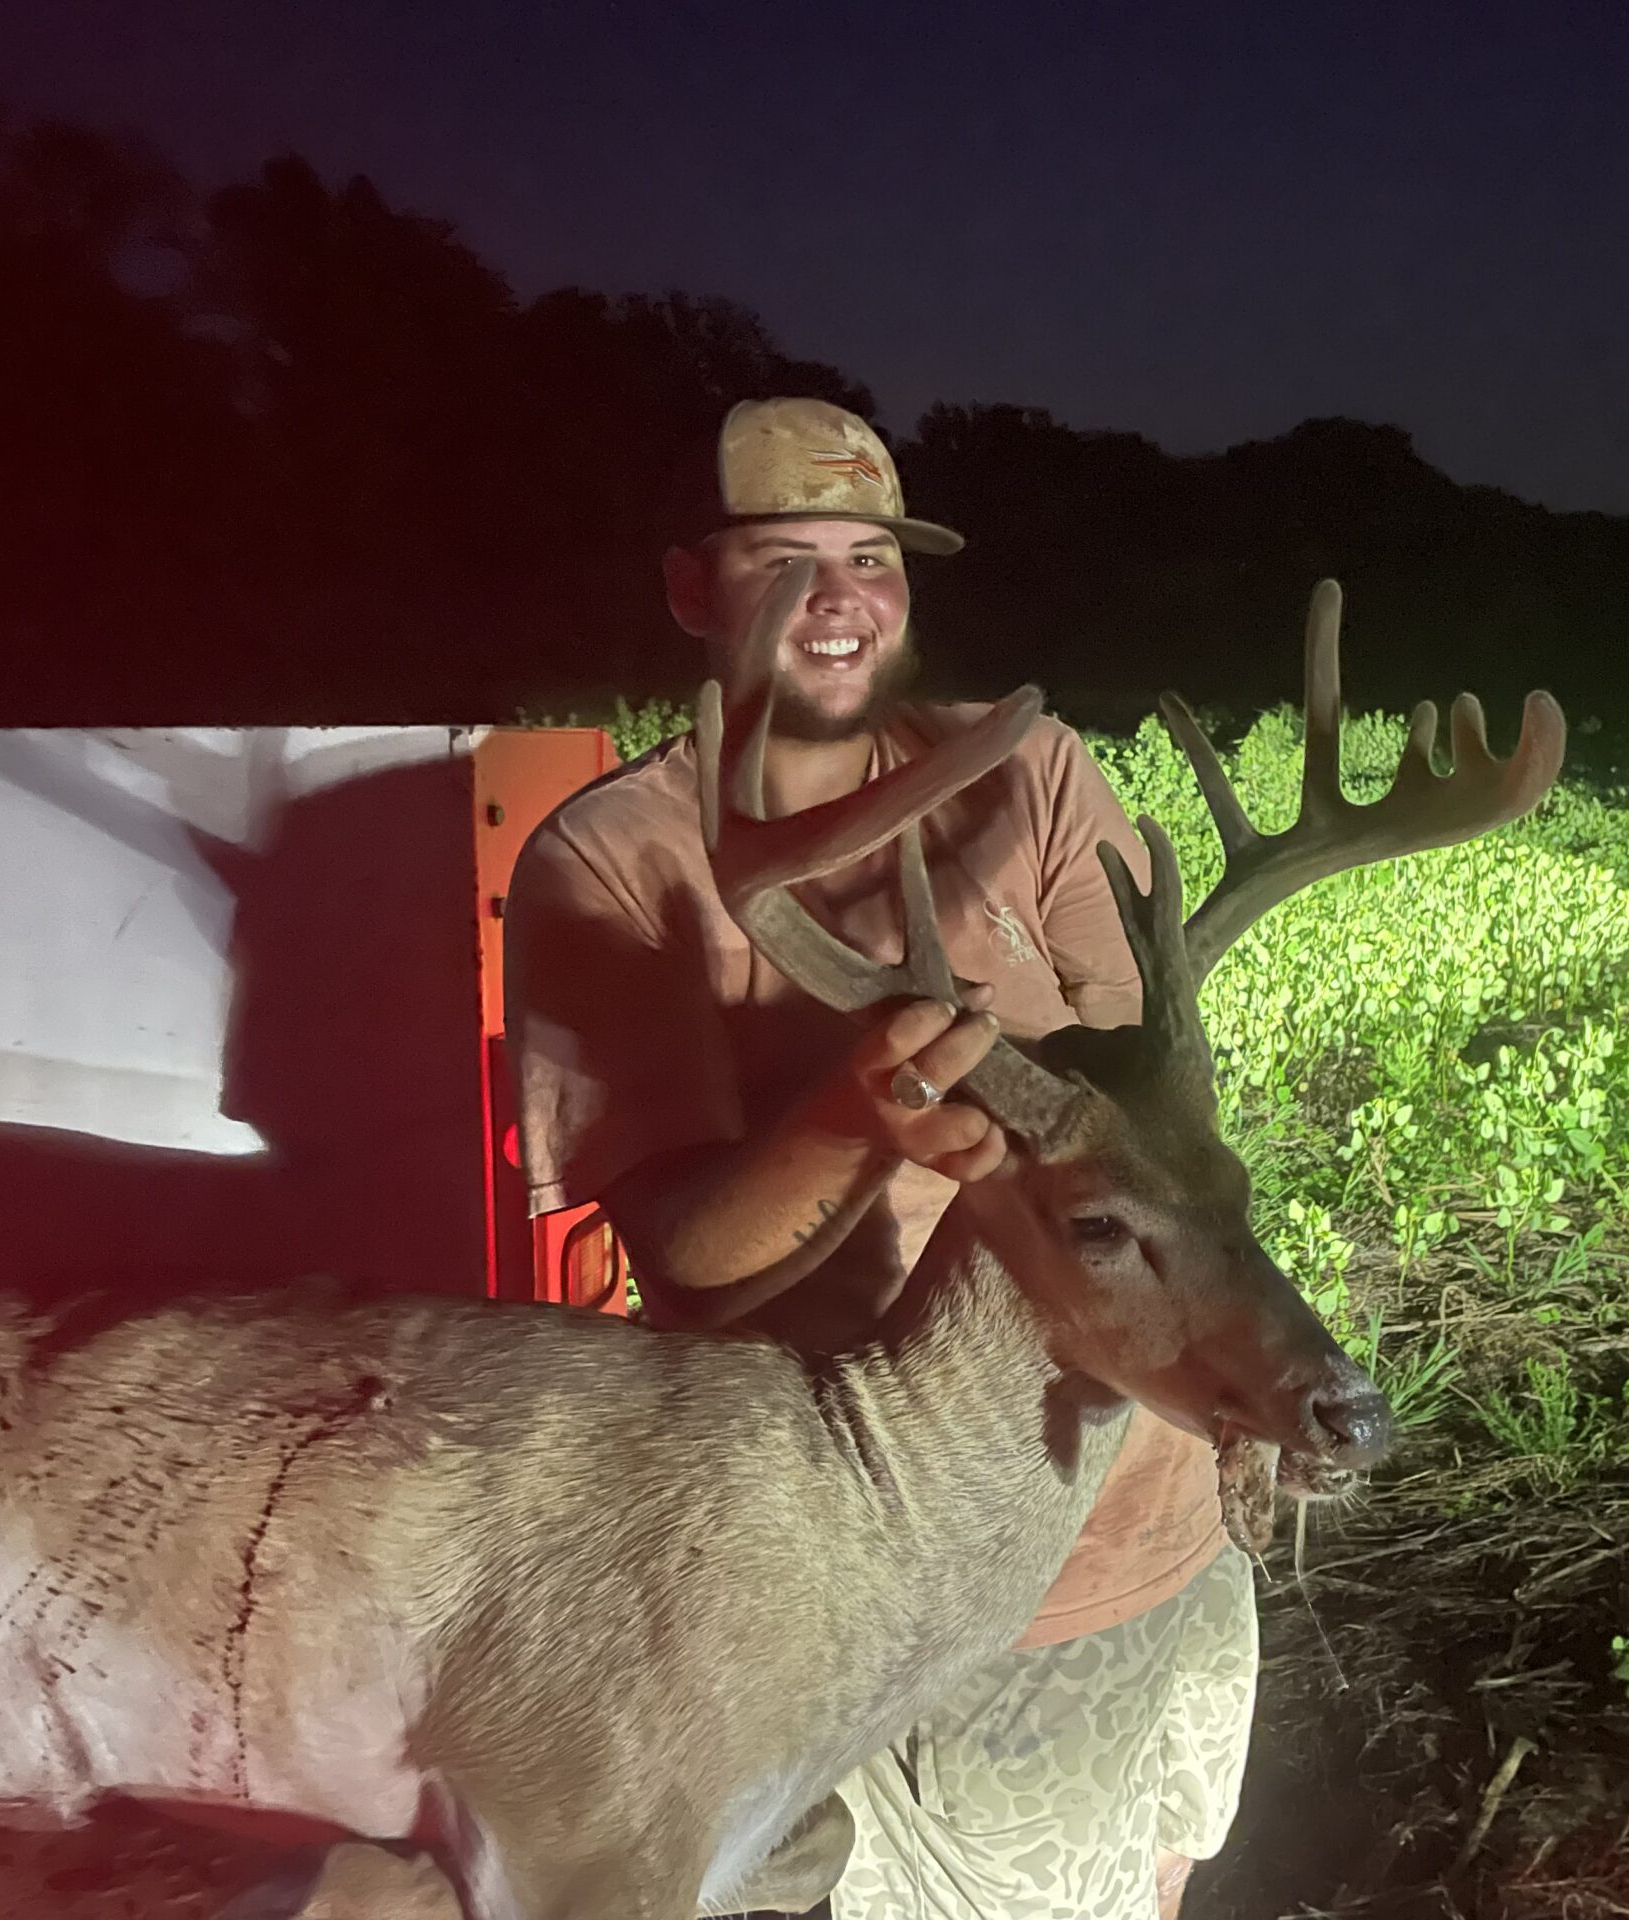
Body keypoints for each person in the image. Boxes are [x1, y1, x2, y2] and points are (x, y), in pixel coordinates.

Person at [502, 396, 1256, 1920]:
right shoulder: (613, 862)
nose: (837, 599)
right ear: (690, 588)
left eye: (870, 558)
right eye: (781, 559)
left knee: (1148, 1882)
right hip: (891, 1588)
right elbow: (687, 1265)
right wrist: (854, 1117)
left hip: (1146, 1522)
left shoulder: (1030, 777)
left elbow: (1164, 1121)